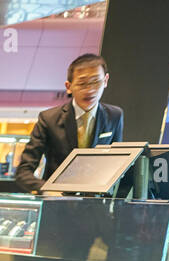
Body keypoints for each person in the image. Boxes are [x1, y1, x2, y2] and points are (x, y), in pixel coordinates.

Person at [16, 53, 124, 193]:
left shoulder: (115, 116)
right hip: (56, 203)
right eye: (82, 83)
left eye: (96, 82)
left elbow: (117, 165)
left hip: (96, 205)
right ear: (69, 86)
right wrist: (47, 190)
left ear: (105, 81)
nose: (90, 90)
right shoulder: (49, 119)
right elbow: (23, 171)